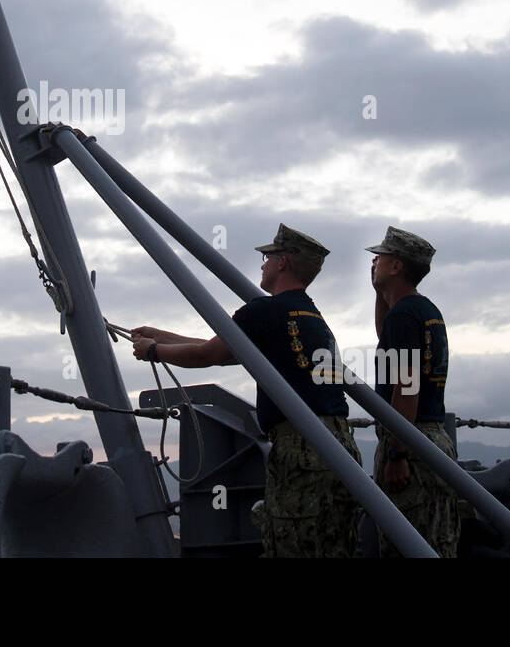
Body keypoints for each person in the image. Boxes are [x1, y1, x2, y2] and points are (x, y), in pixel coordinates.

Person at [130, 224, 362, 557]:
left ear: (282, 263)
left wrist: (153, 352)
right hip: (337, 445)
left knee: (295, 546)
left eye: (268, 257)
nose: (263, 264)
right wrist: (161, 336)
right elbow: (225, 350)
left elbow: (208, 356)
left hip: (302, 450)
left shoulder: (265, 311)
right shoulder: (308, 313)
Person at [366, 226, 459, 557]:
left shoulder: (404, 315)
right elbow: (386, 340)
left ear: (397, 267)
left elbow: (407, 385)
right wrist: (380, 293)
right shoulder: (423, 310)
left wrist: (397, 453)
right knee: (436, 543)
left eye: (381, 257)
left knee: (404, 545)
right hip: (433, 440)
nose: (374, 261)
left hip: (412, 444)